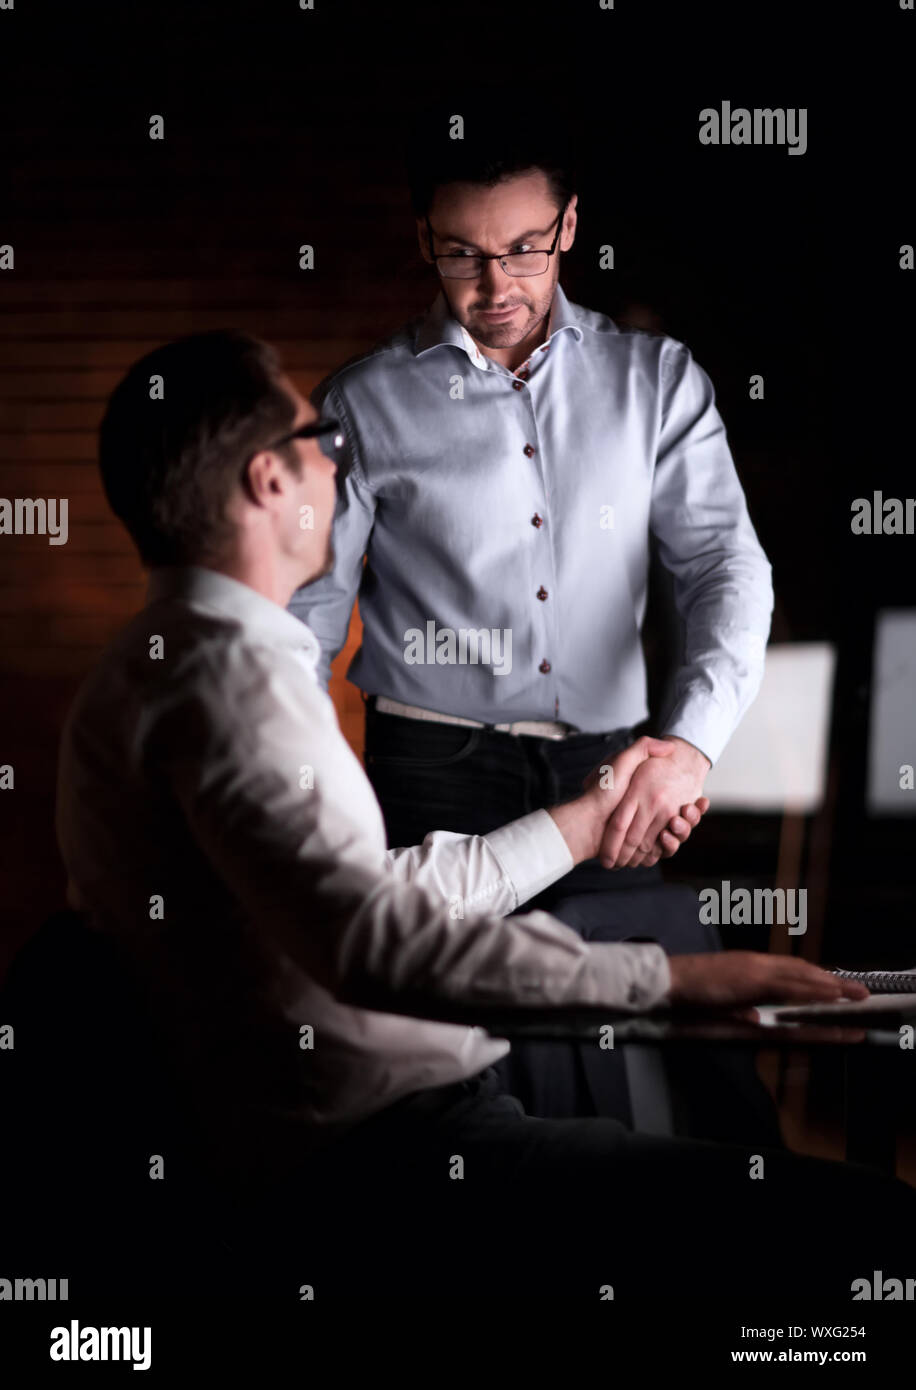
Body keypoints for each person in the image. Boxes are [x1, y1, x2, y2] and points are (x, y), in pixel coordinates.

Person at [54, 330, 916, 1299]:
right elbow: (374, 945)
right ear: (268, 482)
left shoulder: (158, 663)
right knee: (875, 1232)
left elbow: (367, 898)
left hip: (379, 1128)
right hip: (386, 1154)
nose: (340, 468)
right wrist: (670, 982)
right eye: (325, 445)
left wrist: (588, 819)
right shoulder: (232, 683)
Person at [289, 100, 775, 1126]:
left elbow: (725, 566)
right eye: (461, 254)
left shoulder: (656, 381)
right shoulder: (361, 404)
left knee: (669, 1052)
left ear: (568, 226)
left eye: (522, 249)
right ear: (423, 237)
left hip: (617, 763)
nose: (494, 286)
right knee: (463, 1058)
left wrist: (688, 743)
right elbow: (305, 629)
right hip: (431, 774)